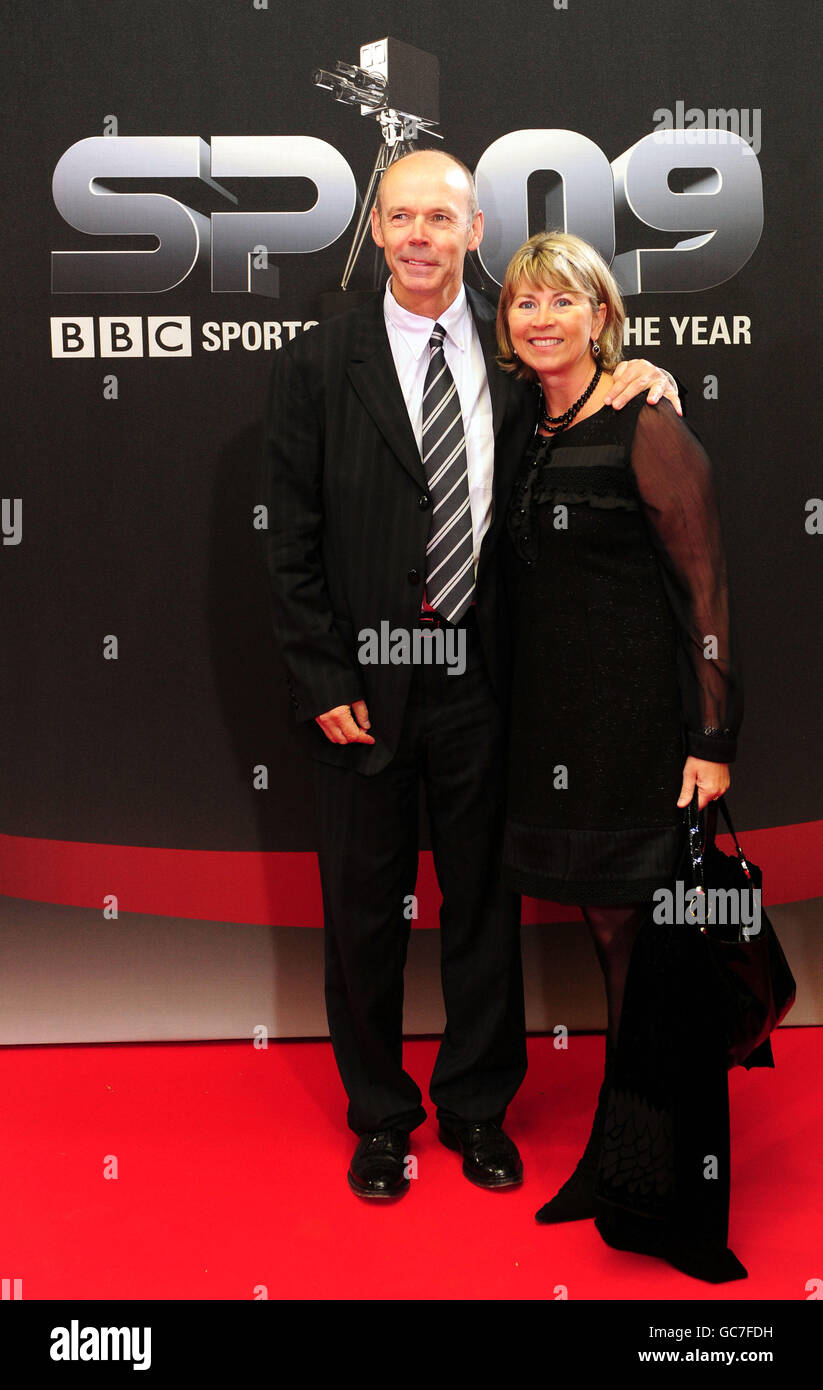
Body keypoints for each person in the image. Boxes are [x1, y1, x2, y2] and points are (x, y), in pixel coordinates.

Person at [264, 152, 677, 1201]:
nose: (416, 235)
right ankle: (380, 1118)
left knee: (483, 909)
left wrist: (651, 377)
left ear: (472, 228)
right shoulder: (318, 360)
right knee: (362, 912)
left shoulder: (516, 352)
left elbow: (598, 396)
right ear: (378, 229)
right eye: (399, 215)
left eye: (437, 218)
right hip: (362, 688)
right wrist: (319, 676)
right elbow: (288, 537)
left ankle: (477, 1107)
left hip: (484, 685)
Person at [496, 231, 745, 1279]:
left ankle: (677, 1199)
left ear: (601, 316)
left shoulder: (649, 426)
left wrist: (712, 739)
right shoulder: (523, 428)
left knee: (662, 961)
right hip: (559, 734)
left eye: (563, 301)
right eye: (523, 303)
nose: (541, 318)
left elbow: (706, 595)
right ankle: (616, 1152)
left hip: (646, 734)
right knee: (612, 943)